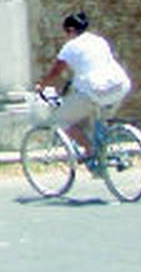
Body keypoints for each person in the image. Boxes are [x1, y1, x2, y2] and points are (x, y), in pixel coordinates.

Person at [34, 11, 132, 161]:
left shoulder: (71, 46)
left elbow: (56, 72)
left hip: (95, 90)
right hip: (120, 85)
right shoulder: (99, 41)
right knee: (98, 119)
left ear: (71, 30)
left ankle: (90, 150)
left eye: (66, 32)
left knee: (59, 120)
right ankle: (103, 153)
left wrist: (41, 85)